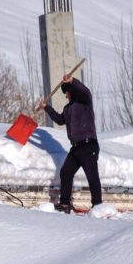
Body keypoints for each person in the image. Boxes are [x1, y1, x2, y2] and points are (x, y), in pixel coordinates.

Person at [37, 75, 102, 213]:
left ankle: (98, 206)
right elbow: (60, 120)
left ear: (71, 91)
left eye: (66, 92)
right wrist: (46, 107)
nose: (66, 96)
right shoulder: (68, 109)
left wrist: (73, 81)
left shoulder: (84, 101)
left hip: (88, 145)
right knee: (66, 172)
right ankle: (65, 204)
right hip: (76, 148)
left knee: (92, 176)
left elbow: (85, 91)